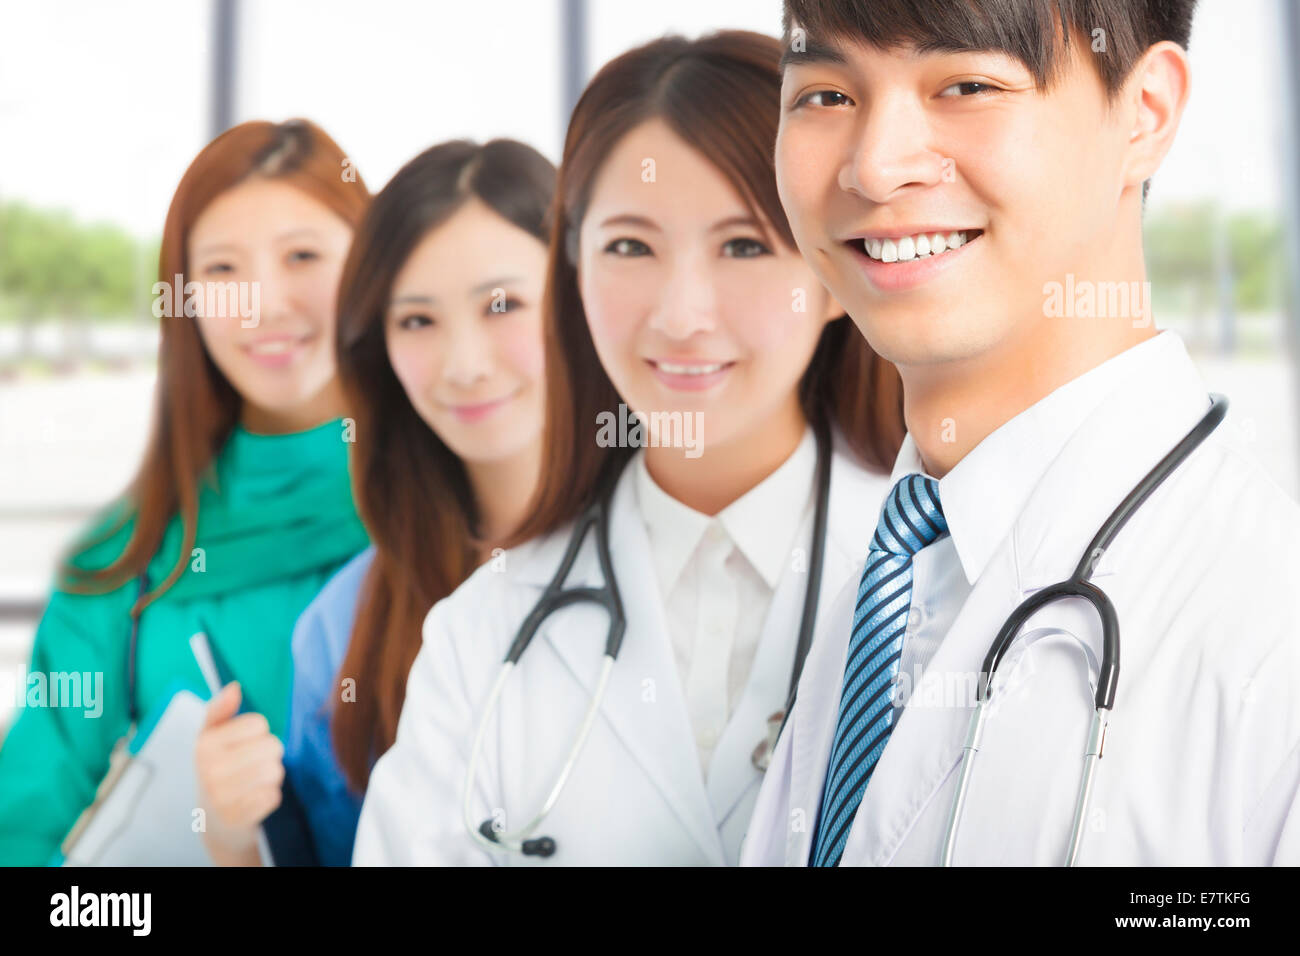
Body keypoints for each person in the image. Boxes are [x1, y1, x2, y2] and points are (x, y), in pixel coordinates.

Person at [741, 0, 1300, 866]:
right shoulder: (889, 577)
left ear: (1144, 112)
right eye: (825, 95)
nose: (876, 166)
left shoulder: (1272, 640)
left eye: (967, 83)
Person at [353, 30, 905, 866]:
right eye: (630, 246)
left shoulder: (942, 587)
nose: (682, 314)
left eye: (745, 244)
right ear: (572, 274)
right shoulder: (484, 633)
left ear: (837, 272)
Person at [0, 119, 371, 865]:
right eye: (224, 269)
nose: (263, 304)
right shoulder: (127, 557)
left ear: (373, 264)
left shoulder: (465, 507)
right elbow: (20, 832)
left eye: (302, 255)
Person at [193, 139, 556, 866]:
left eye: (503, 304)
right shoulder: (340, 629)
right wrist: (230, 836)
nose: (464, 364)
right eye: (417, 320)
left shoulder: (684, 544)